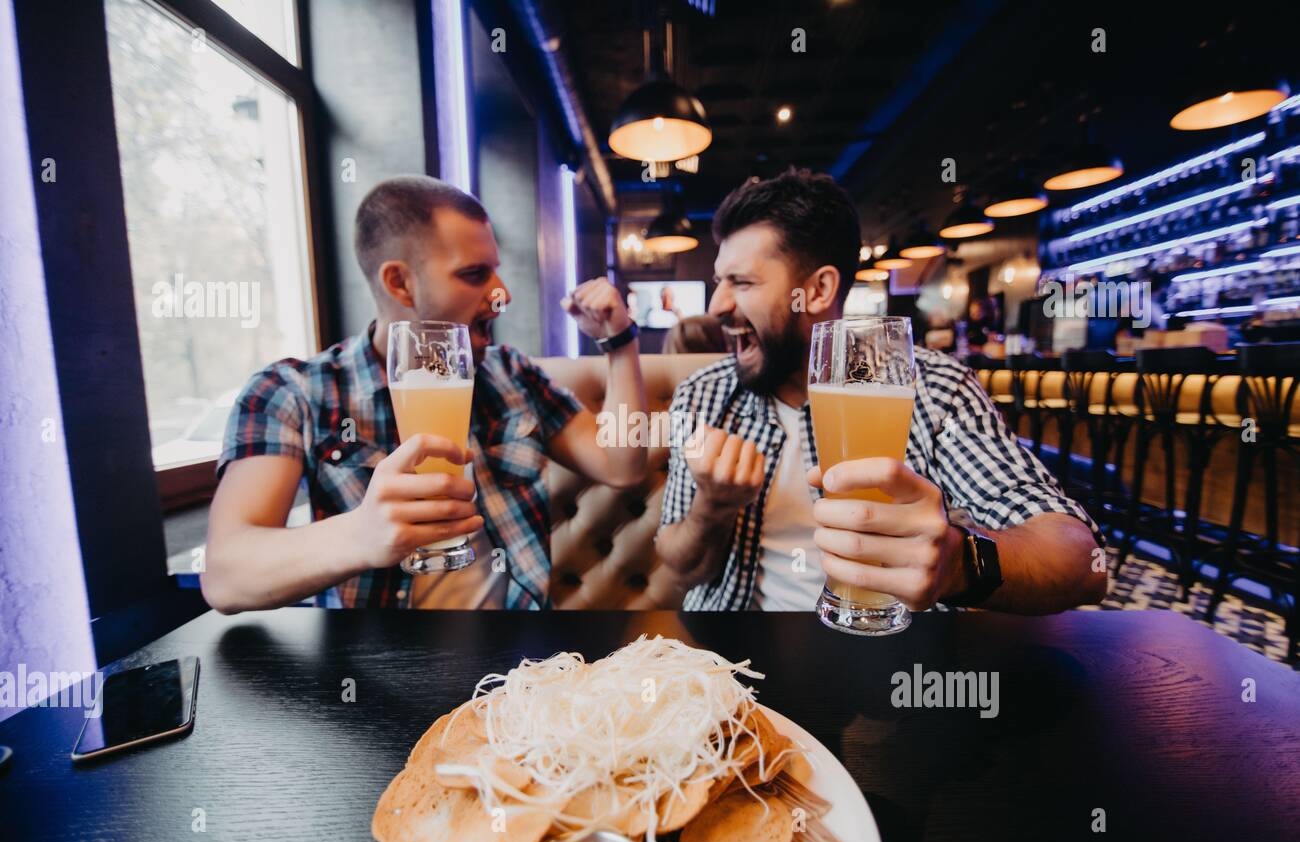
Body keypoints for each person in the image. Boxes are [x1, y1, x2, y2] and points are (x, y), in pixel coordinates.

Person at [655, 169, 1107, 613]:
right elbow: (680, 567)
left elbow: (1082, 561)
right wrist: (712, 506)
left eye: (742, 282)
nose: (716, 305)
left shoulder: (933, 387)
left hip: (901, 663)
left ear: (817, 290)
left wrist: (960, 564)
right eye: (720, 281)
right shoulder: (703, 395)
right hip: (734, 654)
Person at [202, 175, 646, 613]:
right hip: (379, 672)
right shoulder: (294, 392)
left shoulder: (512, 373)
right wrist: (360, 535)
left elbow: (622, 466)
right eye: (475, 274)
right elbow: (226, 577)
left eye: (496, 271)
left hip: (524, 663)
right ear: (400, 283)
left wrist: (620, 343)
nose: (502, 294)